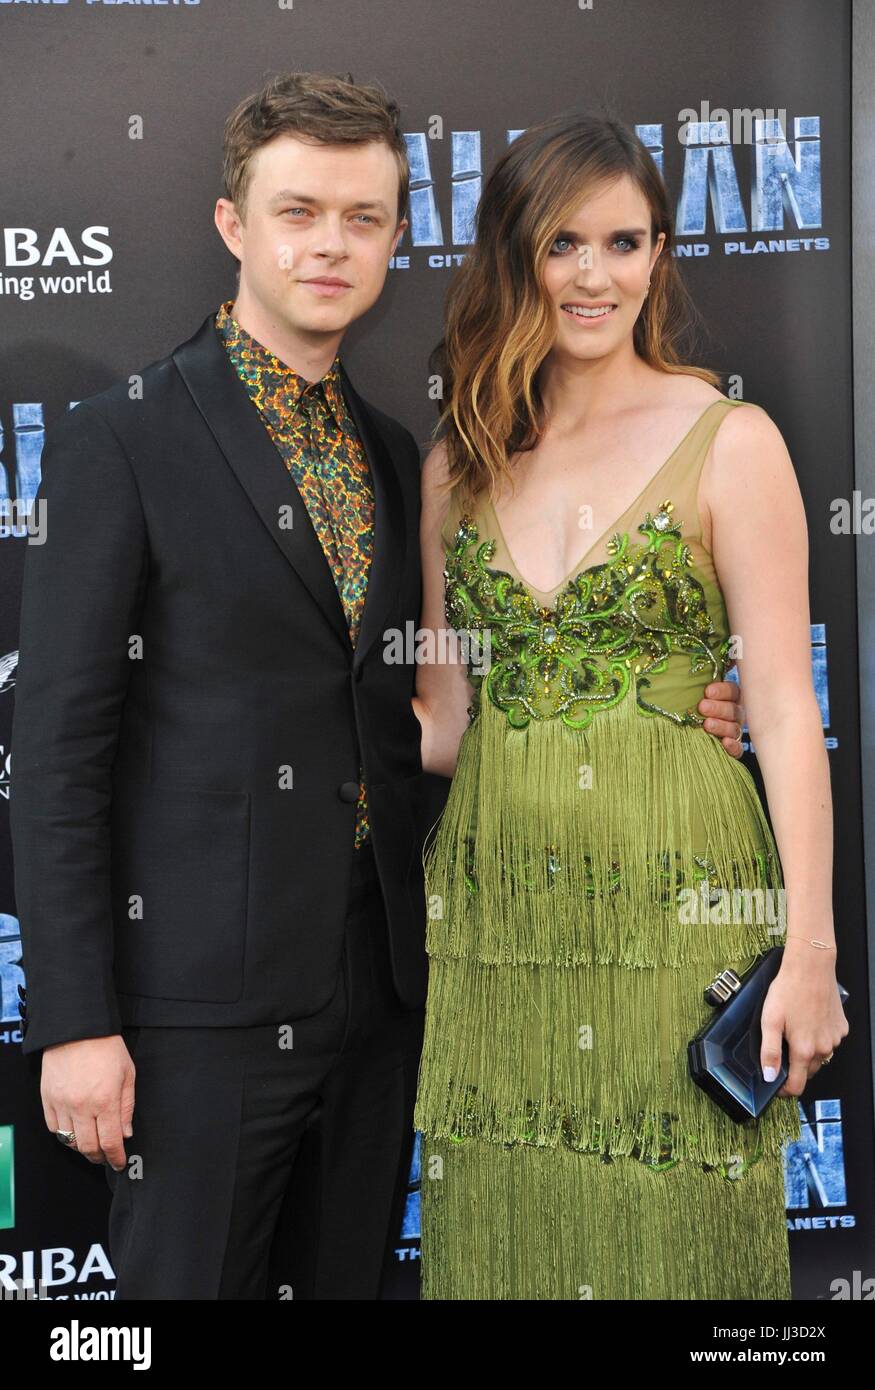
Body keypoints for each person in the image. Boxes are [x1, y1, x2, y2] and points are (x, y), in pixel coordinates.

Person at [412, 112, 848, 1300]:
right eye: (561, 244)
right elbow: (442, 725)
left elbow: (784, 720)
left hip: (678, 899)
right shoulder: (458, 461)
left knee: (676, 1232)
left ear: (656, 254)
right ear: (514, 255)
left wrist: (808, 953)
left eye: (623, 241)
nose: (592, 275)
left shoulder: (731, 440)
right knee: (509, 1232)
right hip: (504, 913)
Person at [11, 71, 428, 1300]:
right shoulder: (121, 435)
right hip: (192, 1019)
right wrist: (76, 1024)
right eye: (298, 211)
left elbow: (399, 714)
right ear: (233, 225)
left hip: (375, 993)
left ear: (398, 235)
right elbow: (58, 753)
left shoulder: (392, 453)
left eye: (363, 217)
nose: (331, 245)